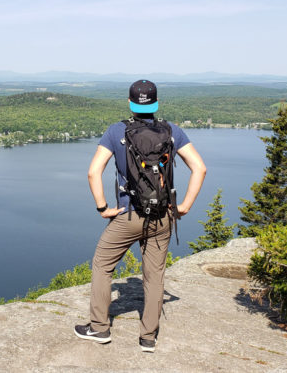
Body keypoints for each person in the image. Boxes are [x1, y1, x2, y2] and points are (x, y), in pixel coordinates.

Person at [74, 79, 207, 352]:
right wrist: (184, 206)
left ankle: (99, 328)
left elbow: (92, 172)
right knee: (154, 275)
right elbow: (200, 168)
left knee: (102, 265)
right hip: (162, 216)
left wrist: (103, 208)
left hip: (128, 215)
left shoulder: (116, 132)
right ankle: (148, 336)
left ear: (130, 103)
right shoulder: (173, 131)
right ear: (156, 104)